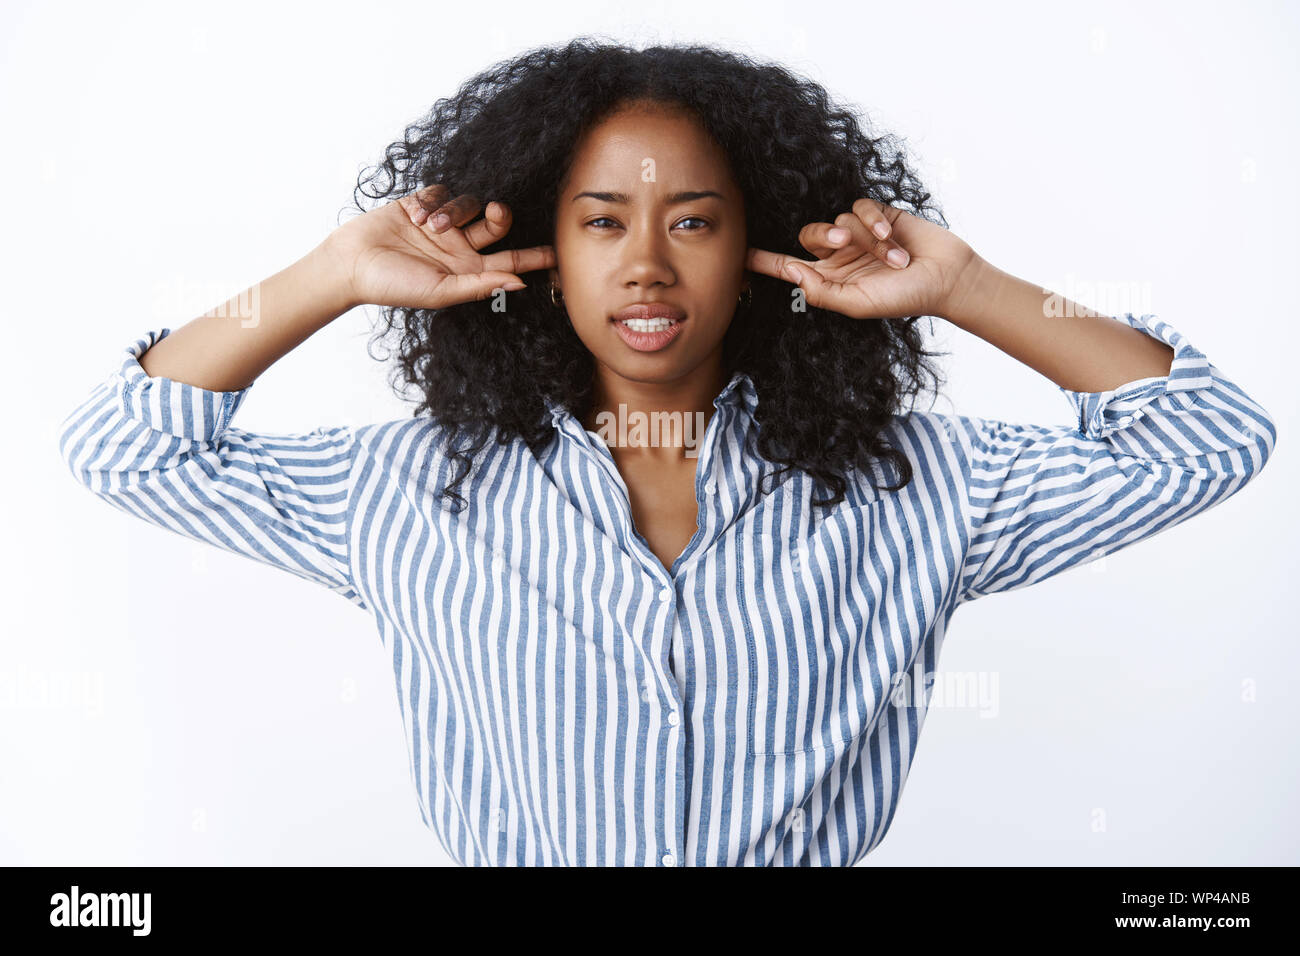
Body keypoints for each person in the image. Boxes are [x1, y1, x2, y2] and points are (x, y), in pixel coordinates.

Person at [57, 38, 1276, 866]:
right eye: (601, 223)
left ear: (760, 247)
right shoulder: (413, 489)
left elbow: (1207, 440)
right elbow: (127, 447)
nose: (646, 263)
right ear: (542, 249)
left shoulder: (913, 489)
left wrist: (965, 288)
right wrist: (328, 273)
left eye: (693, 220)